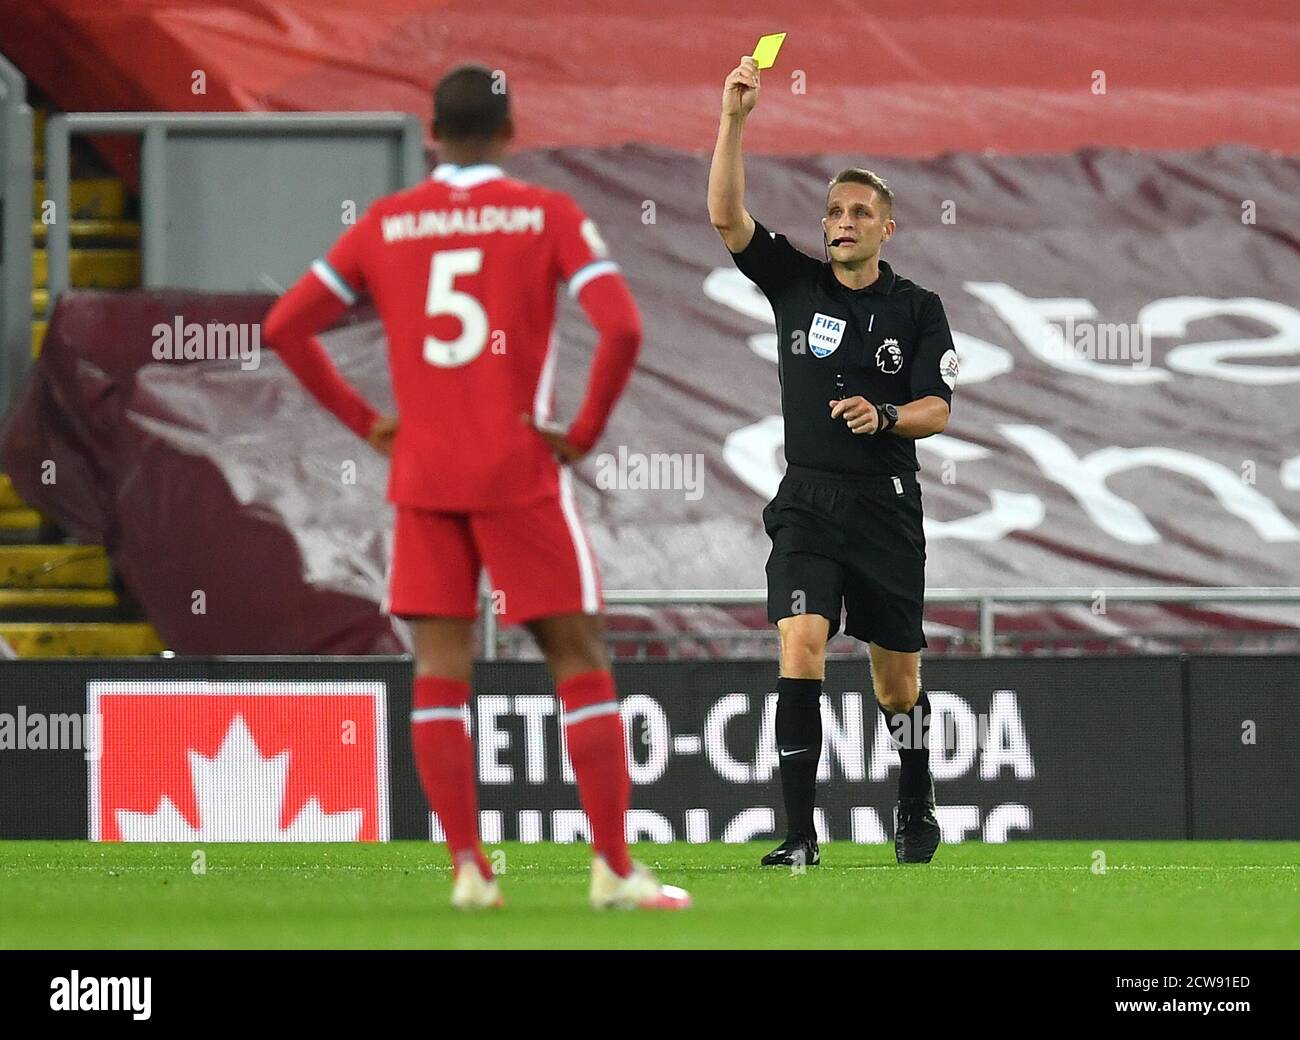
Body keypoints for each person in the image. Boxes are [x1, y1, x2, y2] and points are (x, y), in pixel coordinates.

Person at [264, 64, 690, 911]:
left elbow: (284, 325)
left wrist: (365, 422)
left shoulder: (387, 224)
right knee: (577, 656)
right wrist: (582, 434)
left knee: (439, 672)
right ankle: (610, 867)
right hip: (518, 473)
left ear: (432, 129)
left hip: (424, 475)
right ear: (509, 129)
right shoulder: (546, 215)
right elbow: (622, 325)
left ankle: (468, 869)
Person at [707, 55, 958, 866]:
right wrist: (735, 118)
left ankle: (914, 799)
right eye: (833, 211)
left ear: (888, 228)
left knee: (897, 687)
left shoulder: (919, 309)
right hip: (809, 503)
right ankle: (800, 837)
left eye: (859, 212)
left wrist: (884, 413)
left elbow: (937, 410)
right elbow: (725, 216)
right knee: (800, 643)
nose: (841, 222)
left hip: (886, 504)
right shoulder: (796, 286)